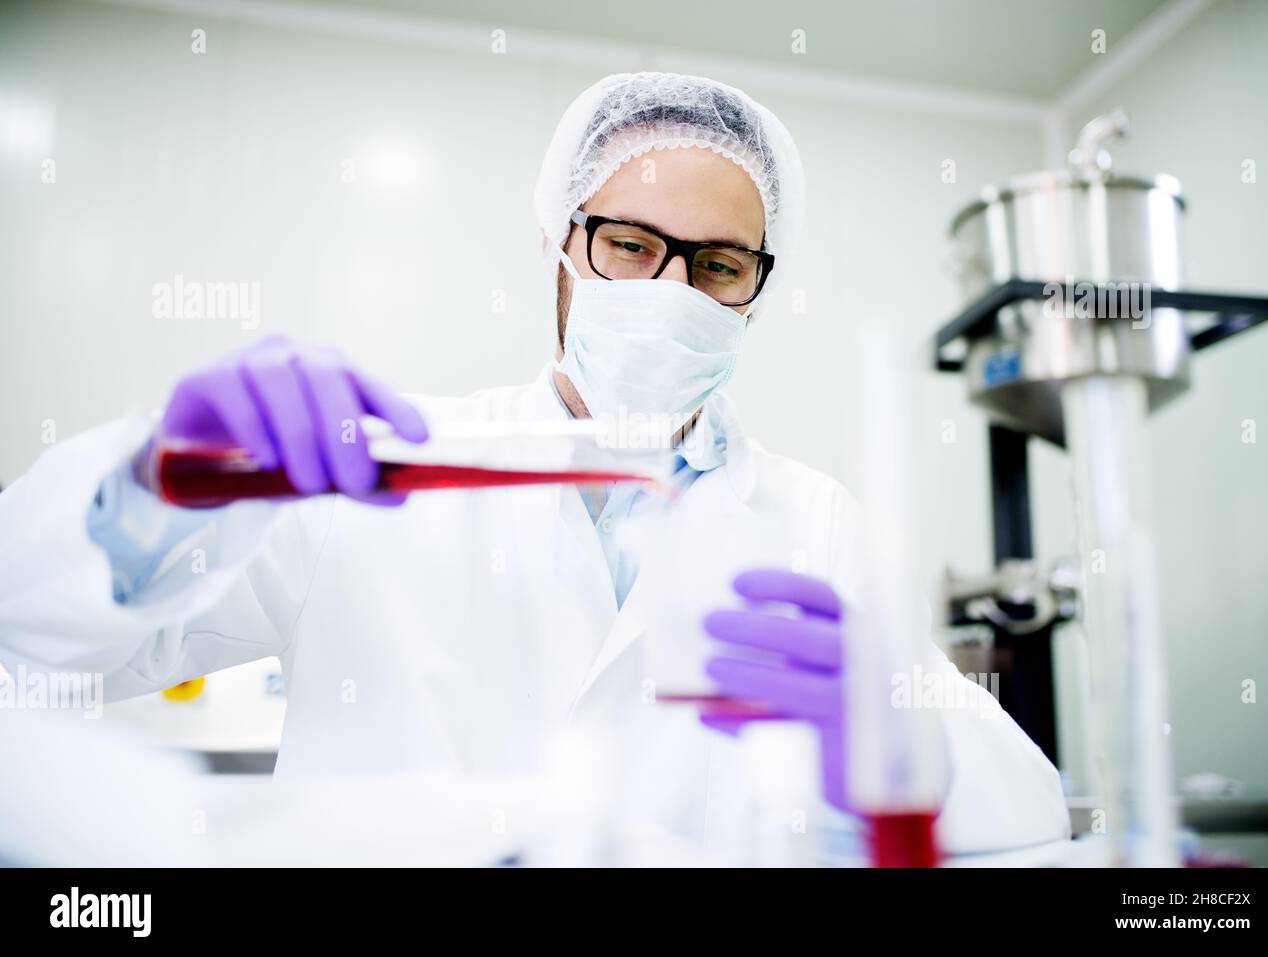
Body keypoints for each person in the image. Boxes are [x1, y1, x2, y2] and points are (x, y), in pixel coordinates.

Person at [0, 72, 1068, 855]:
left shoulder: (812, 519)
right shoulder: (378, 473)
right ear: (562, 246)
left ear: (755, 288)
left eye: (718, 264)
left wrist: (905, 746)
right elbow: (32, 649)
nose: (671, 291)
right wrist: (157, 491)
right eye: (630, 244)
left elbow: (1028, 805)